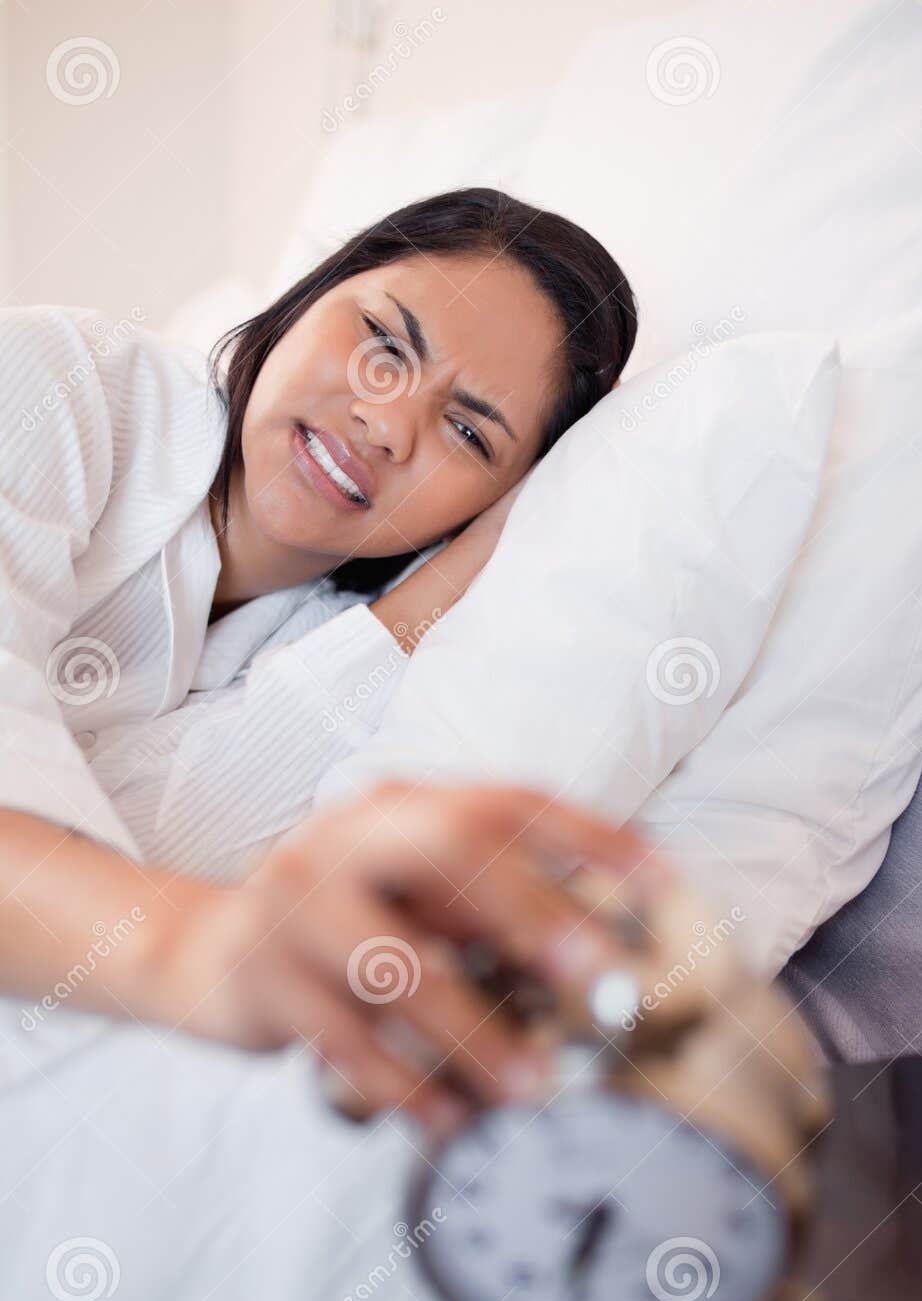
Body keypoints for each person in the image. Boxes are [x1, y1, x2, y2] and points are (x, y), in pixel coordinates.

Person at [0, 186, 639, 1124]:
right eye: (384, 342)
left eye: (468, 433)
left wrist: (428, 599)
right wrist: (195, 949)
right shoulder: (55, 382)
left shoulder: (353, 642)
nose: (385, 421)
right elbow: (154, 922)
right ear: (311, 294)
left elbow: (161, 848)